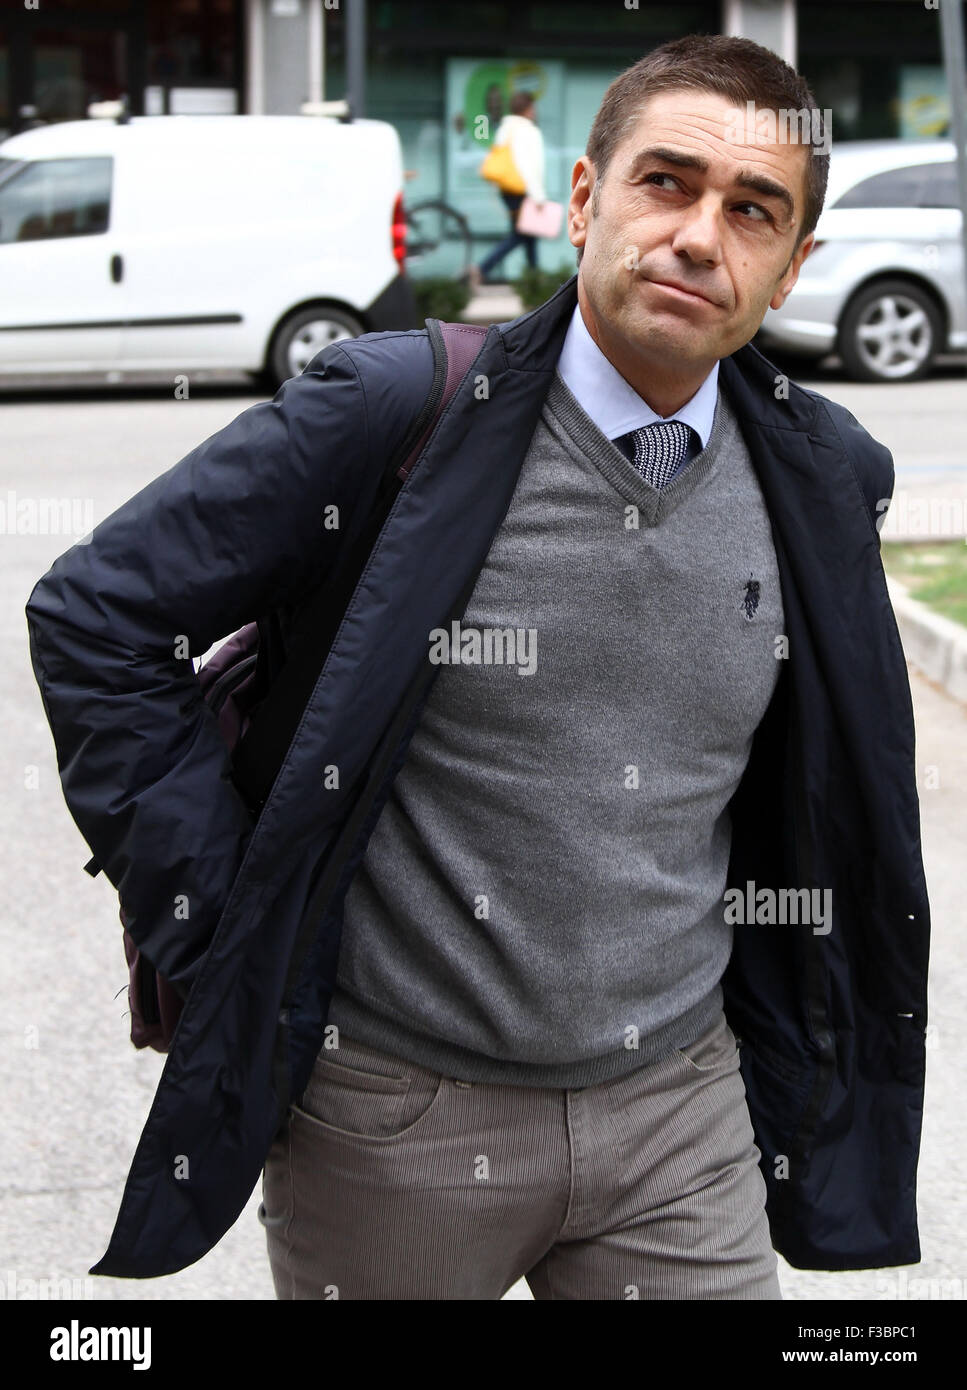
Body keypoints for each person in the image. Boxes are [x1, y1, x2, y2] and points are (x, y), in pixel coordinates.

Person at [25, 34, 929, 1297]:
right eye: (664, 182)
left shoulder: (825, 478)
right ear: (581, 199)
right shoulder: (392, 410)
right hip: (391, 1119)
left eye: (751, 210)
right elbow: (96, 617)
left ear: (788, 271)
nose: (695, 233)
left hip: (681, 1114)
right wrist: (229, 922)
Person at [469, 90, 546, 285]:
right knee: (520, 236)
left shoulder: (506, 128)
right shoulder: (528, 131)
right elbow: (528, 165)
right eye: (532, 107)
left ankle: (534, 280)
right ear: (527, 109)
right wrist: (537, 196)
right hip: (522, 191)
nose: (535, 111)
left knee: (528, 237)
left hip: (508, 189)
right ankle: (482, 268)